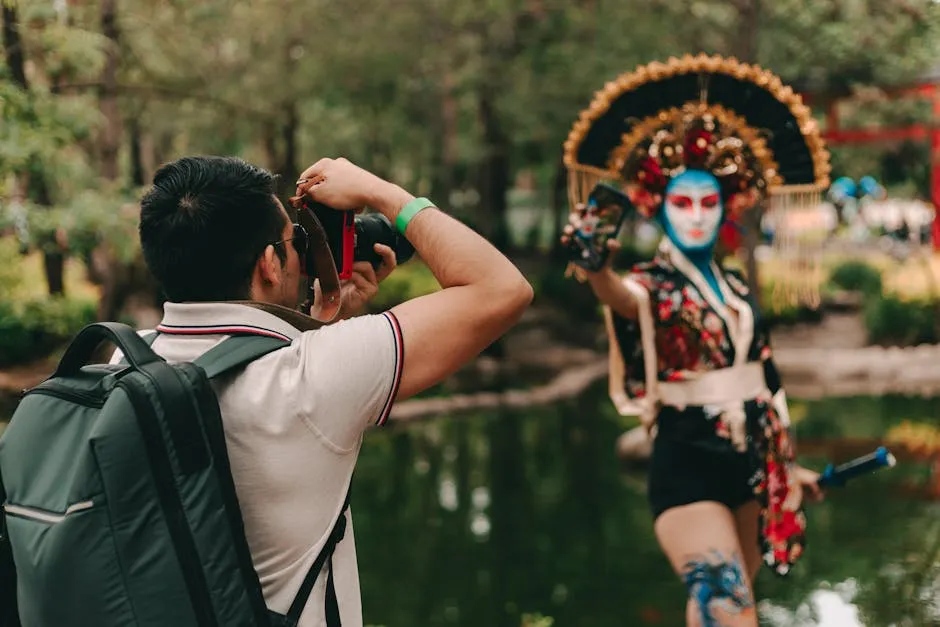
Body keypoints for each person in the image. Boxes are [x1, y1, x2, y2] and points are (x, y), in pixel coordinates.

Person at [129, 155, 533, 626]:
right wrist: (382, 191)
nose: (302, 255)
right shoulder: (310, 376)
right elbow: (503, 289)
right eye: (293, 242)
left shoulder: (126, 360)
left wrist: (322, 325)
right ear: (269, 264)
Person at [559, 55, 832, 627]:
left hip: (754, 465)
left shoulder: (733, 287)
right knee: (729, 612)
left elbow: (766, 380)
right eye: (682, 203)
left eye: (708, 202)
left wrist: (790, 468)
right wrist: (597, 268)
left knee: (721, 614)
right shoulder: (651, 284)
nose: (696, 216)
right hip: (687, 465)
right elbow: (621, 297)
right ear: (659, 209)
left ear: (726, 206)